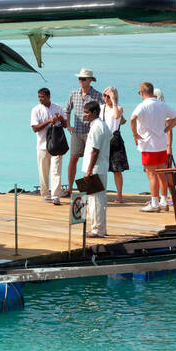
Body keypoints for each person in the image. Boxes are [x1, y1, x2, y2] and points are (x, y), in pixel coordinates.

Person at [130, 82, 176, 213]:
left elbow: (132, 119)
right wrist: (168, 128)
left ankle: (154, 203)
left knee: (151, 175)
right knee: (161, 174)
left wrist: (135, 134)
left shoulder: (142, 106)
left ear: (142, 93)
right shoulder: (162, 105)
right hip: (161, 144)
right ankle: (163, 201)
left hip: (148, 145)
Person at [65, 68, 104, 194]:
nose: (80, 81)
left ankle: (90, 188)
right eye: (79, 79)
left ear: (90, 80)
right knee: (73, 159)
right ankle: (70, 188)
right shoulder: (74, 93)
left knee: (91, 160)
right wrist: (68, 125)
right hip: (76, 132)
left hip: (90, 133)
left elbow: (103, 112)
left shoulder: (97, 95)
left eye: (83, 79)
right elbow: (67, 110)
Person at [30, 87, 67, 204]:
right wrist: (49, 121)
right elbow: (35, 128)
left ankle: (55, 196)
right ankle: (46, 195)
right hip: (42, 145)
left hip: (57, 144)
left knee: (56, 171)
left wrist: (60, 118)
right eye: (39, 97)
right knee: (43, 172)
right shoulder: (36, 110)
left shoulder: (58, 108)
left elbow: (65, 124)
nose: (40, 99)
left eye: (42, 97)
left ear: (48, 97)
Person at [81, 99, 111, 237]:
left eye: (86, 113)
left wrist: (88, 170)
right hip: (100, 167)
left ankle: (98, 229)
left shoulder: (97, 127)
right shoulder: (102, 125)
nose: (84, 115)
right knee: (95, 199)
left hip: (95, 169)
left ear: (94, 113)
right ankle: (99, 228)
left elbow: (95, 150)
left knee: (96, 201)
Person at [101, 86, 130, 203]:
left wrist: (114, 102)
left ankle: (119, 195)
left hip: (115, 139)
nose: (106, 98)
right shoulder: (101, 108)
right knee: (101, 169)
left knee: (116, 170)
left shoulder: (118, 108)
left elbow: (117, 116)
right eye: (105, 96)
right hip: (103, 139)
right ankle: (101, 193)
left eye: (109, 96)